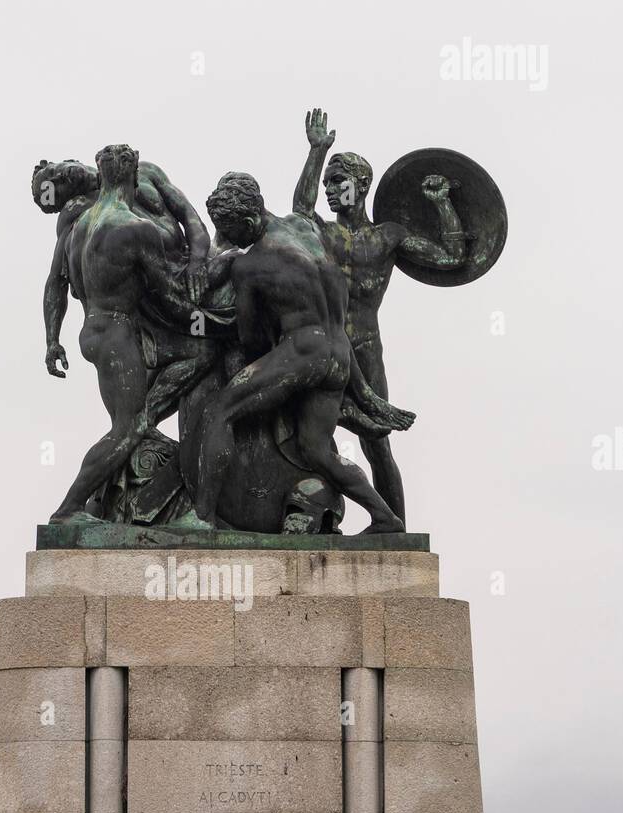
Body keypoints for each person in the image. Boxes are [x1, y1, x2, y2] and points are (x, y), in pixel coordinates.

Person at [186, 172, 414, 533]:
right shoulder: (307, 227)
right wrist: (362, 392)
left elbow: (253, 341)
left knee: (220, 411)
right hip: (340, 353)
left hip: (302, 351)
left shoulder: (250, 265)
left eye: (232, 231)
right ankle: (386, 517)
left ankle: (199, 518)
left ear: (248, 221)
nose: (231, 240)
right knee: (316, 450)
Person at [293, 108, 467, 524]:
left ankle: (394, 528)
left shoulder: (388, 236)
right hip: (326, 346)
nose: (331, 190)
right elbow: (301, 209)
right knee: (314, 437)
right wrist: (318, 151)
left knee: (378, 442)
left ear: (363, 186)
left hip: (366, 348)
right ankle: (320, 518)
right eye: (327, 184)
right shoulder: (325, 233)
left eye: (339, 182)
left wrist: (442, 204)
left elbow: (453, 256)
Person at [51, 144, 204, 522]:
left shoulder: (78, 226)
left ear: (100, 176)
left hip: (95, 331)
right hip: (118, 332)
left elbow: (55, 283)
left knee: (195, 359)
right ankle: (68, 509)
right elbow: (170, 298)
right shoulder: (135, 228)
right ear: (135, 176)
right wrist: (211, 319)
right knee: (127, 430)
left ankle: (148, 420)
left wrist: (51, 340)